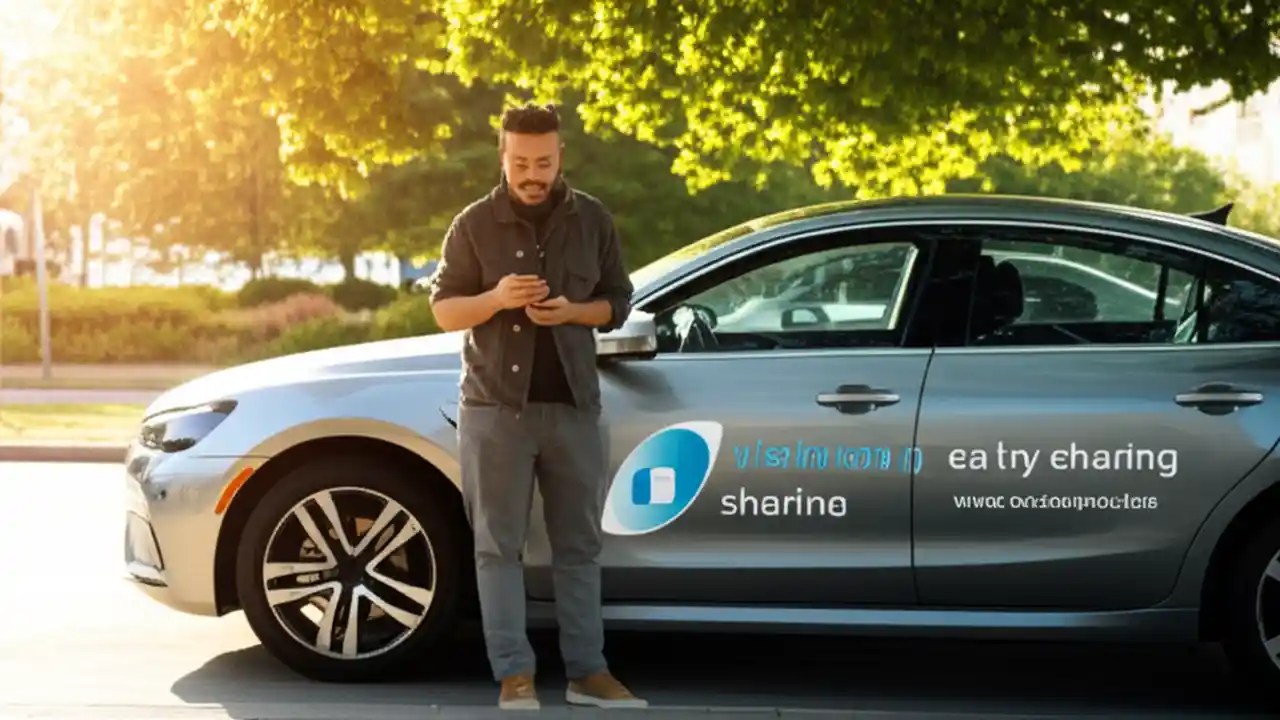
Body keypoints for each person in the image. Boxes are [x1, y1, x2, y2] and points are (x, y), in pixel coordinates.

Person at [427, 102, 645, 711]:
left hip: (574, 406)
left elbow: (617, 304)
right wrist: (495, 298)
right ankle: (514, 675)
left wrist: (574, 312)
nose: (532, 173)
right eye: (520, 162)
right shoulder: (472, 225)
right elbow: (445, 313)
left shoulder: (593, 219)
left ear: (559, 158)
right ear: (503, 156)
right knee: (498, 546)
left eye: (542, 162)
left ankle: (588, 672)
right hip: (495, 409)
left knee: (580, 546)